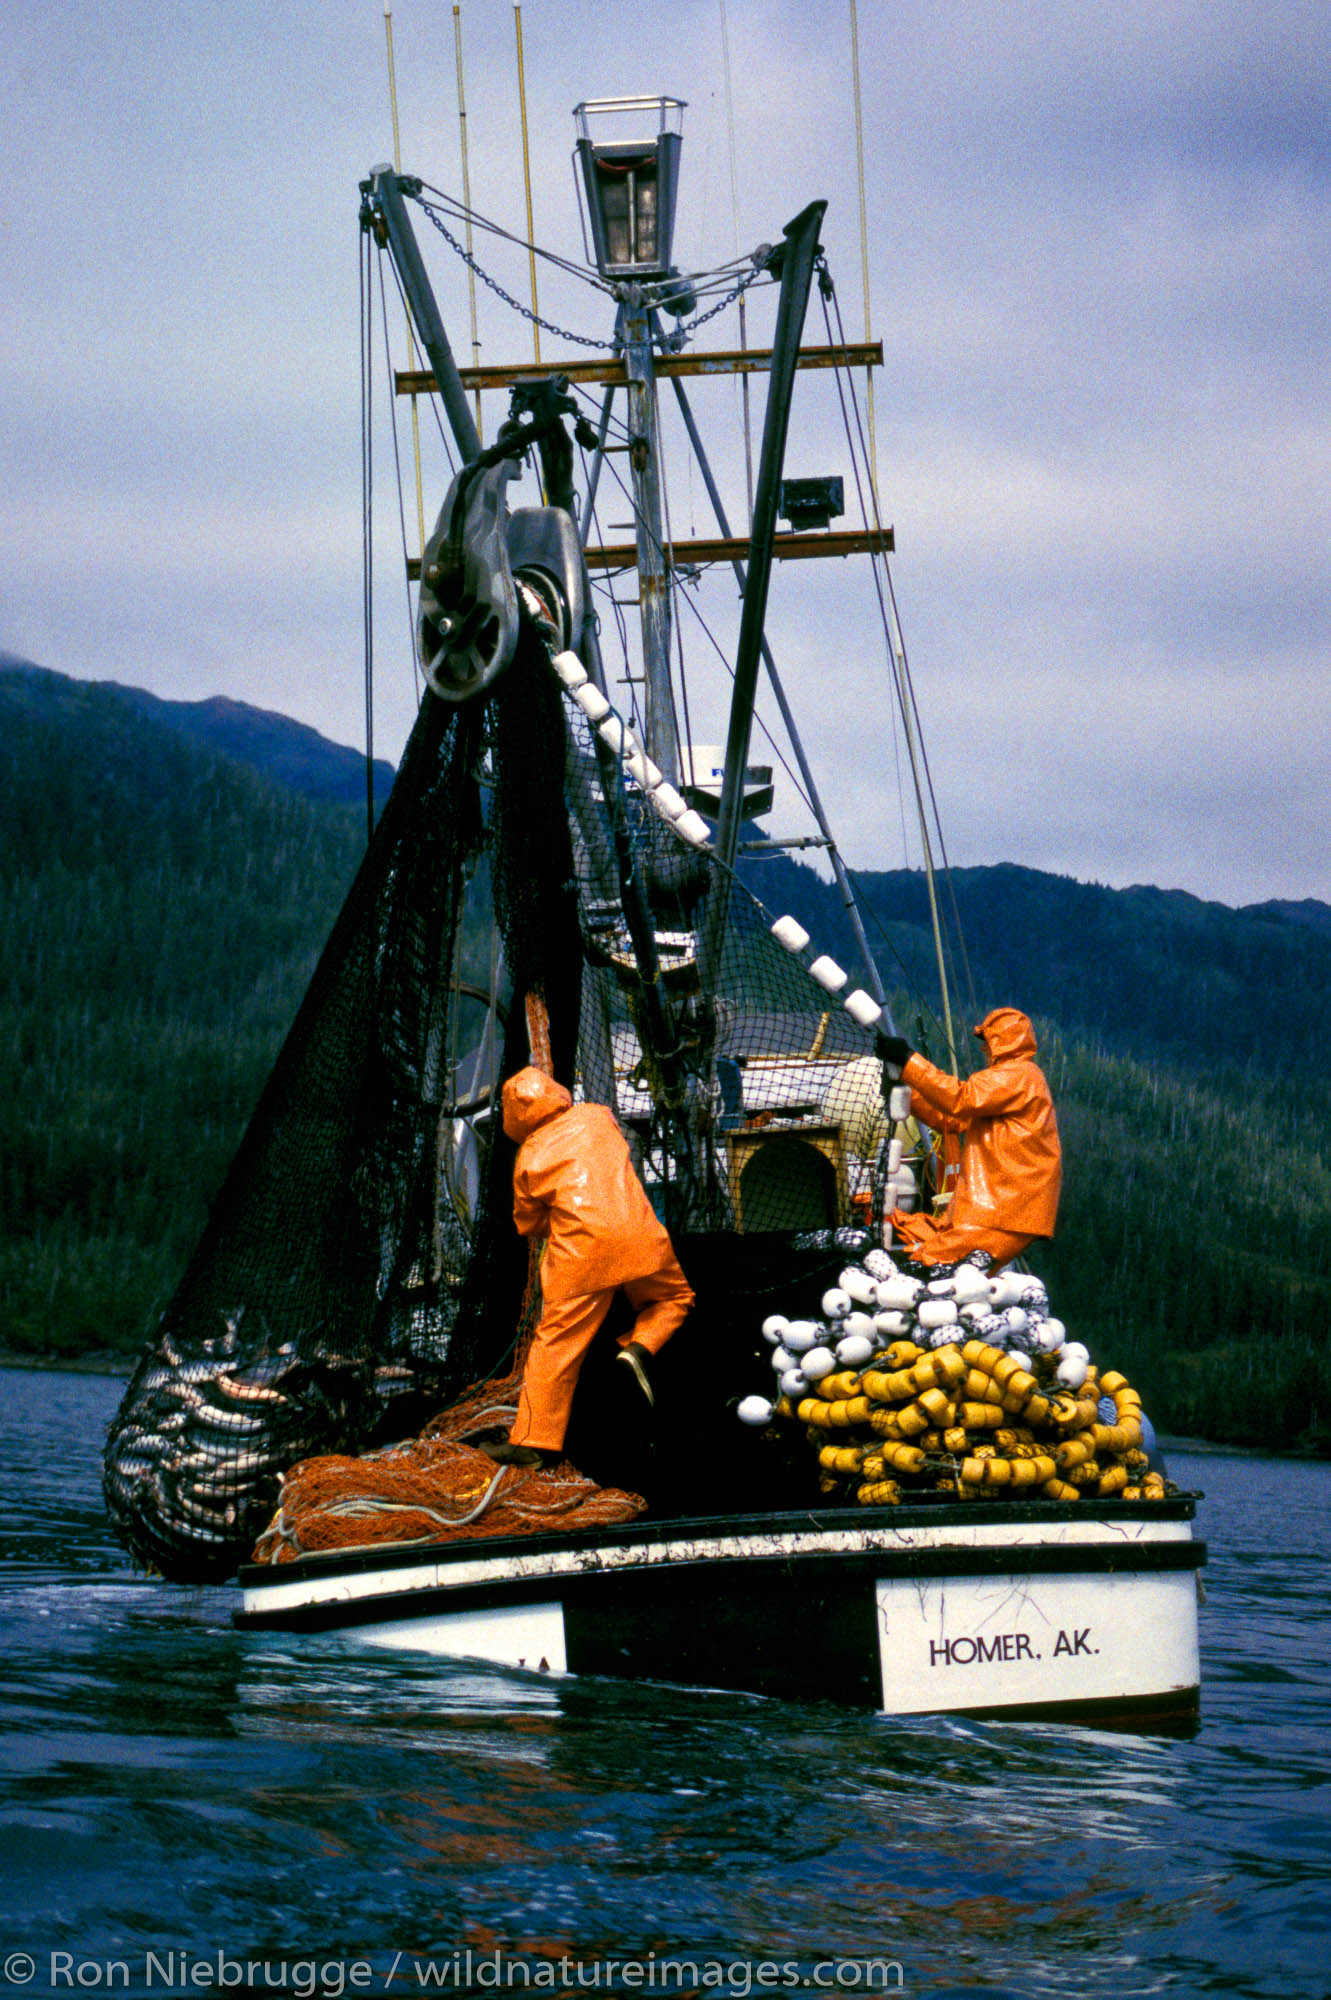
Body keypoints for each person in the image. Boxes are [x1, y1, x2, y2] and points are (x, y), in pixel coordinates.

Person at [484, 1066, 695, 1468]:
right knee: (674, 1298)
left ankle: (531, 1443)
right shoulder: (598, 1116)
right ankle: (639, 1348)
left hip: (580, 1258)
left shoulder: (527, 1157)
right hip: (641, 1238)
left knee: (555, 1347)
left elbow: (527, 1224)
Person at [876, 1007, 1062, 1271]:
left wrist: (908, 1061)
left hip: (1001, 1212)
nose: (984, 1048)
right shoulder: (1012, 1083)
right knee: (941, 1268)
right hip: (996, 1211)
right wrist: (908, 1095)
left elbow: (959, 1099)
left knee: (929, 1268)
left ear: (1004, 1042)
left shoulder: (1019, 1075)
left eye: (989, 1040)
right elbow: (951, 1121)